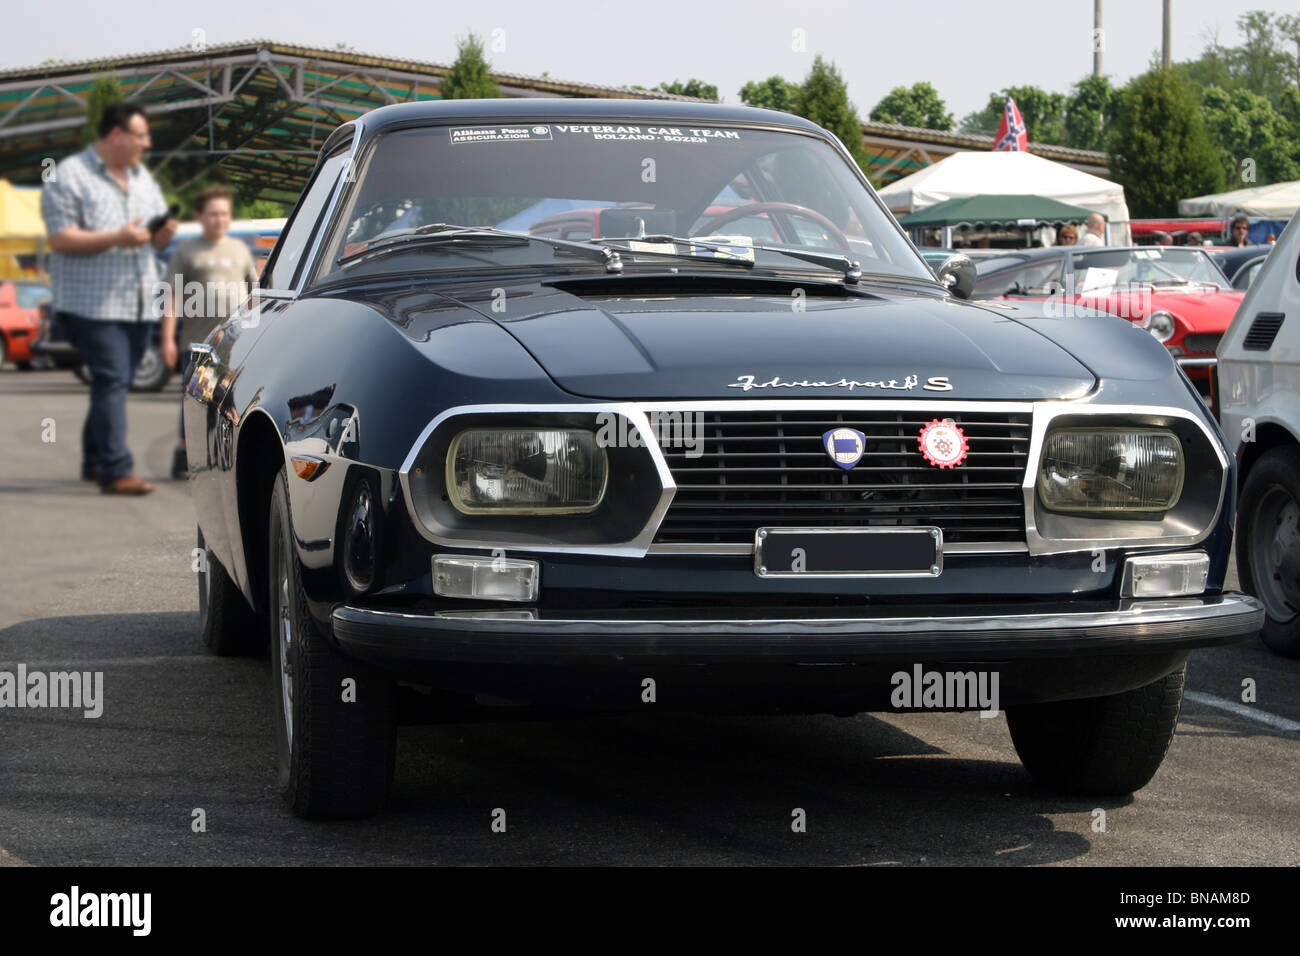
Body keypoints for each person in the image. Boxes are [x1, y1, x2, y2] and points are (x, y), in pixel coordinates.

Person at [41, 103, 177, 495]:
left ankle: (93, 459)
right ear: (117, 135)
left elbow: (152, 239)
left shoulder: (141, 179)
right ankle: (116, 470)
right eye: (142, 136)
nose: (147, 144)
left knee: (111, 382)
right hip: (92, 303)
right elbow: (60, 238)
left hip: (139, 301)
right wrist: (117, 238)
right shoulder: (69, 177)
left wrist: (161, 233)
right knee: (114, 378)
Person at [160, 186, 258, 479]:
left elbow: (255, 294)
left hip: (235, 344)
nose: (220, 219)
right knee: (197, 401)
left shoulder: (239, 250)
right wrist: (166, 338)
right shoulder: (187, 251)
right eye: (213, 214)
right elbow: (172, 297)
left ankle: (220, 458)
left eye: (225, 214)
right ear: (200, 216)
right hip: (200, 346)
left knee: (228, 402)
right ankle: (184, 454)